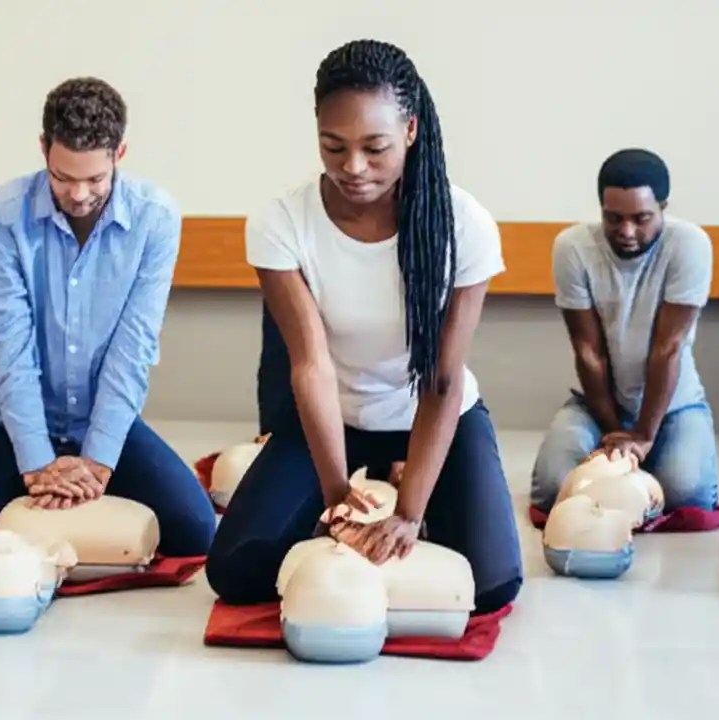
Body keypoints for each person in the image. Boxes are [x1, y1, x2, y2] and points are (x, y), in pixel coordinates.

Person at [204, 39, 522, 615]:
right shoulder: (281, 223)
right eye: (334, 146)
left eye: (374, 148)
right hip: (334, 416)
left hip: (431, 413)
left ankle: (411, 493)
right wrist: (334, 499)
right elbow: (310, 365)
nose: (353, 167)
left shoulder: (465, 224)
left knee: (494, 583)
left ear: (410, 131)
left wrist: (410, 513)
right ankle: (360, 493)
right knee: (236, 571)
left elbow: (443, 381)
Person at [0, 77, 217, 567]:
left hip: (100, 417)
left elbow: (134, 347)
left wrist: (98, 460)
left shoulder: (156, 218)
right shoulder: (3, 214)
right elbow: (8, 349)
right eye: (63, 177)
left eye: (95, 180)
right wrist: (37, 463)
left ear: (120, 153)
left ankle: (67, 482)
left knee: (195, 529)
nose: (78, 194)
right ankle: (32, 484)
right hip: (5, 419)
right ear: (43, 149)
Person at [530, 149, 717, 513]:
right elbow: (588, 351)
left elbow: (669, 347)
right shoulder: (573, 247)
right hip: (598, 404)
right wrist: (615, 435)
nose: (627, 232)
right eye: (613, 218)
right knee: (554, 488)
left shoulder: (690, 244)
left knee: (686, 495)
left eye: (642, 218)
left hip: (676, 406)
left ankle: (642, 462)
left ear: (663, 207)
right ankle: (629, 467)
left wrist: (644, 435)